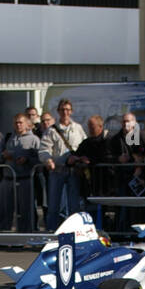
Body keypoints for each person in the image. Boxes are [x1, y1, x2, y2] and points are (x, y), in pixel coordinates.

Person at [40, 97, 86, 228]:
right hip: (57, 170)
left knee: (74, 206)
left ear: (71, 111)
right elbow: (44, 149)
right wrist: (48, 160)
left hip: (74, 171)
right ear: (58, 111)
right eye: (62, 110)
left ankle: (74, 233)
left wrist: (80, 159)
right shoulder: (51, 130)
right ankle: (52, 233)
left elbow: (84, 146)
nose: (65, 112)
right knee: (53, 205)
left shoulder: (78, 128)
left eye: (67, 109)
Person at [1, 112, 48, 231]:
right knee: (6, 209)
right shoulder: (8, 138)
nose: (18, 125)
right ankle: (4, 234)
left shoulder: (34, 140)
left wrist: (27, 160)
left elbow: (40, 159)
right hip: (8, 179)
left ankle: (25, 234)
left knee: (25, 210)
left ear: (27, 124)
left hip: (25, 179)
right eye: (16, 122)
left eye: (20, 122)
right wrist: (4, 155)